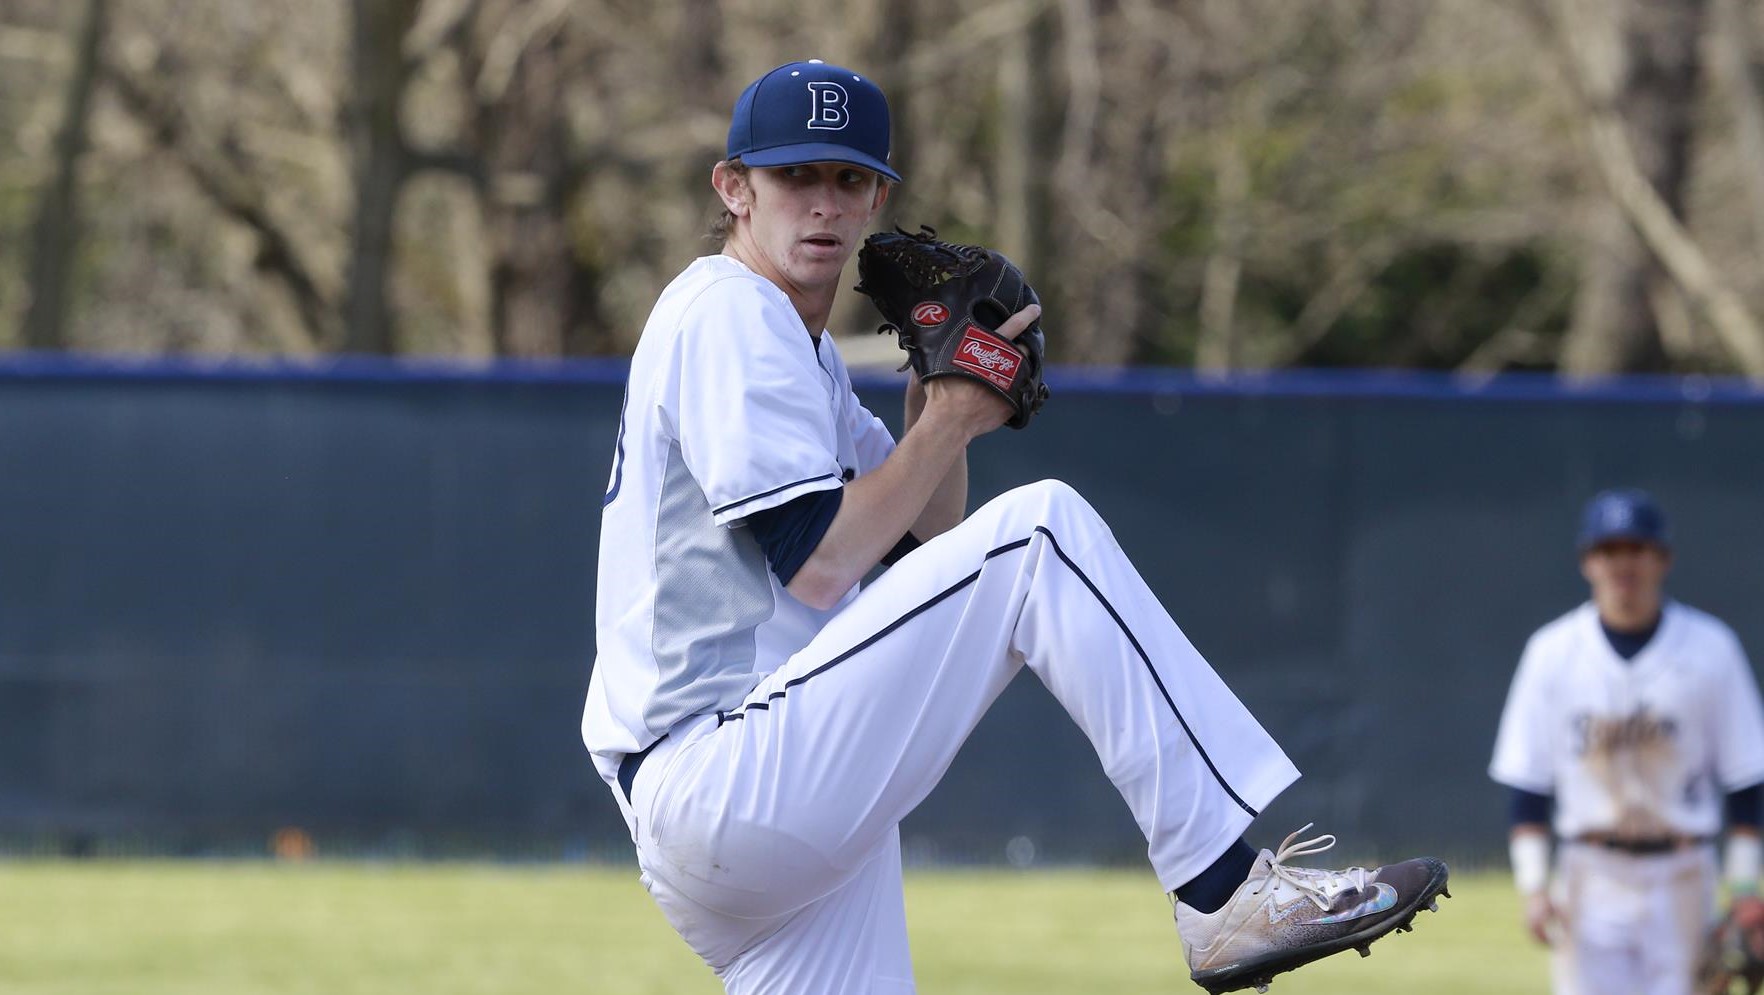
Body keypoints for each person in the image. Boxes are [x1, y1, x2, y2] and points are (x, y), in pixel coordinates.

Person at [581, 58, 1448, 995]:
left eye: (848, 178)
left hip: (765, 799)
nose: (823, 204)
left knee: (1014, 545)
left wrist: (933, 390)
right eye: (794, 176)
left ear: (877, 195)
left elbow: (924, 536)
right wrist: (953, 418)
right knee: (1041, 534)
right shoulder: (727, 308)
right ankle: (1223, 886)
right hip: (723, 770)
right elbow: (826, 565)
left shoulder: (806, 351)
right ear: (734, 188)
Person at [1490, 488, 1764, 995]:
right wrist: (1533, 884)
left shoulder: (1712, 648)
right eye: (1608, 550)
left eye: (1637, 549)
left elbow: (1746, 780)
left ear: (1663, 559)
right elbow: (1527, 786)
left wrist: (1745, 888)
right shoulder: (1552, 652)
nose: (1623, 563)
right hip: (1589, 875)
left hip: (1684, 874)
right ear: (1587, 562)